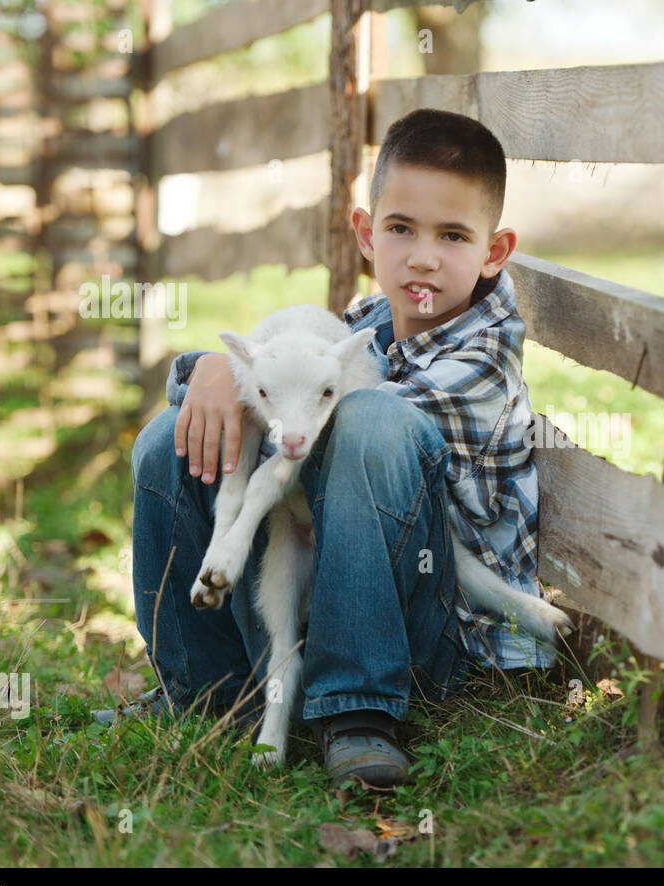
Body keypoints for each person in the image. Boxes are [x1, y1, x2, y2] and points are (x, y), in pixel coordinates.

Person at [126, 108, 555, 790]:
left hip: (431, 636)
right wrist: (215, 368)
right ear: (365, 232)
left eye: (452, 235)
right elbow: (288, 390)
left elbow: (328, 433)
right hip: (314, 586)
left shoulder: (481, 356)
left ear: (494, 251)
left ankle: (358, 709)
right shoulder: (365, 321)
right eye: (400, 228)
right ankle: (208, 691)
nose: (422, 256)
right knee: (168, 440)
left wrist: (260, 391)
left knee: (365, 420)